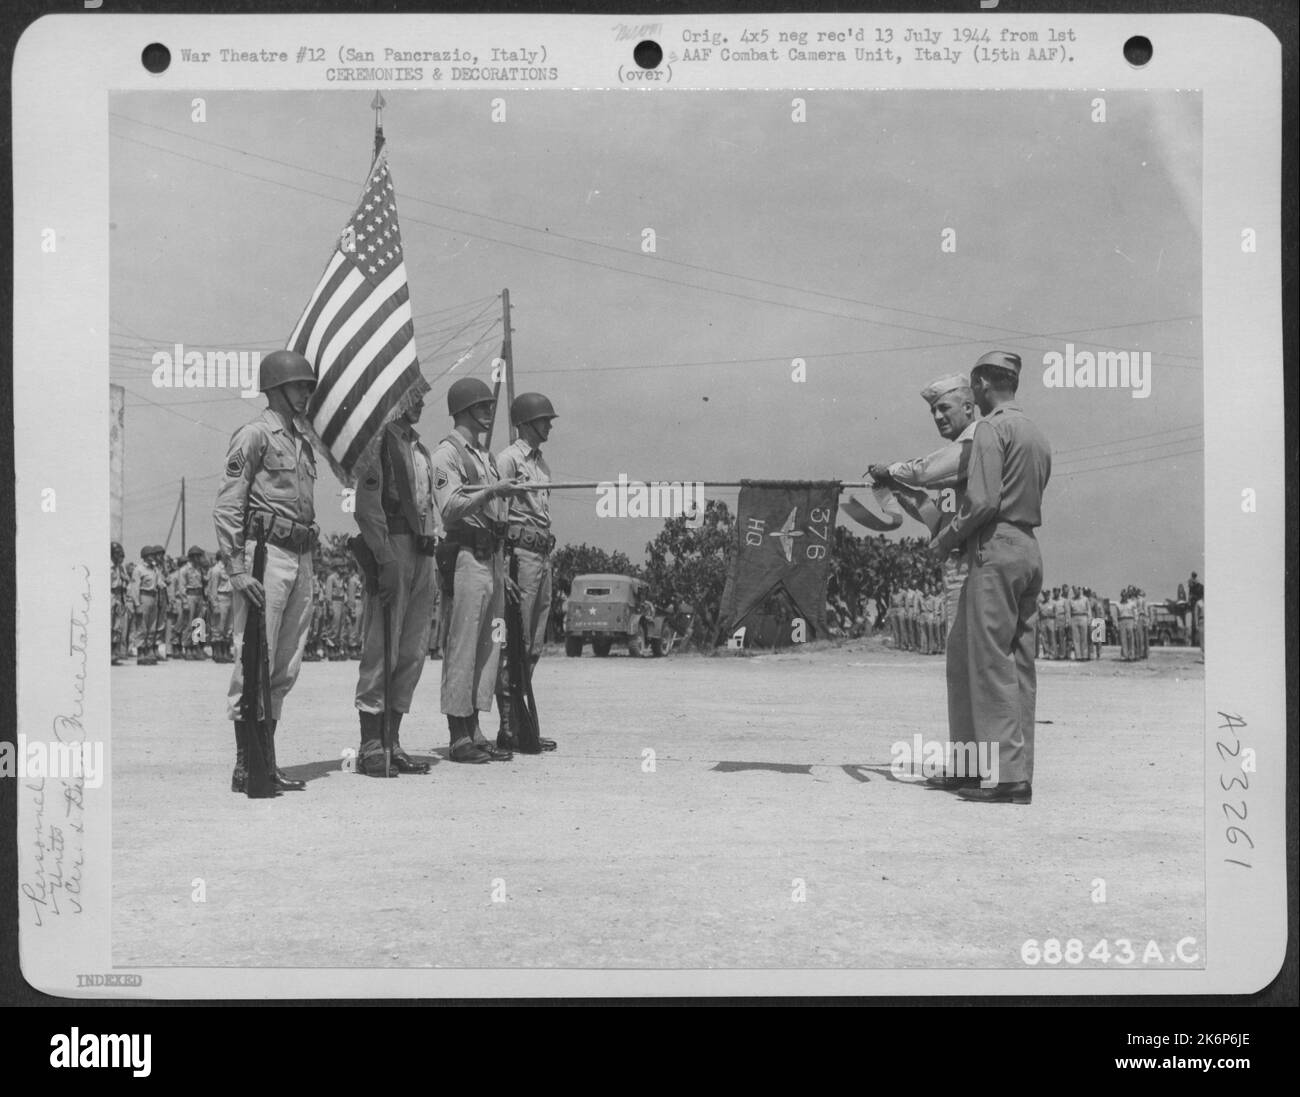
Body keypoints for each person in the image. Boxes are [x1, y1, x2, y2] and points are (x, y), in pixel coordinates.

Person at [932, 351, 1050, 804]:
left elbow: (981, 501)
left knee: (987, 664)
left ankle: (1004, 778)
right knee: (1019, 665)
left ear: (981, 385)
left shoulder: (989, 429)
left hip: (994, 547)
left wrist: (946, 540)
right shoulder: (1036, 433)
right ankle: (1009, 772)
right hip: (1028, 546)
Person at [212, 349, 318, 795]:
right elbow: (228, 503)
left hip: (300, 554)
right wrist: (235, 568)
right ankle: (246, 764)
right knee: (254, 658)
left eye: (308, 387)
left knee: (285, 664)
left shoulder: (302, 439)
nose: (305, 395)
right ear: (274, 388)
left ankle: (266, 761)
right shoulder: (255, 435)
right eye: (298, 386)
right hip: (265, 555)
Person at [431, 377, 531, 763]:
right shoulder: (447, 454)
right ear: (464, 410)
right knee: (464, 645)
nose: (489, 412)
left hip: (491, 557)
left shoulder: (485, 457)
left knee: (489, 646)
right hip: (465, 557)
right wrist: (492, 492)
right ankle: (458, 734)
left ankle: (474, 727)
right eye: (482, 406)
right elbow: (451, 506)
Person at [351, 391, 440, 777]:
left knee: (413, 648)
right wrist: (383, 556)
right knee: (382, 645)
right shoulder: (379, 443)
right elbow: (367, 506)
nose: (419, 401)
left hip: (423, 548)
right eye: (411, 394)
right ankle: (371, 744)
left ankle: (393, 740)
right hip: (394, 545)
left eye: (422, 395)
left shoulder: (419, 449)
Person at [870, 373, 981, 649]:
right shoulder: (954, 471)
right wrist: (896, 490)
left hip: (972, 563)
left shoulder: (974, 443)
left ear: (968, 407)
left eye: (944, 408)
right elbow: (935, 516)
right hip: (958, 562)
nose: (937, 416)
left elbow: (923, 471)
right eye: (934, 411)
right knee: (959, 652)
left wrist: (892, 470)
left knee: (965, 653)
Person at [496, 392, 560, 752]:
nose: (549, 425)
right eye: (544, 420)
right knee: (514, 644)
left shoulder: (542, 464)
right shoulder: (508, 461)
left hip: (541, 553)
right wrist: (503, 563)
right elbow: (499, 513)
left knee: (533, 644)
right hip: (519, 555)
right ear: (526, 422)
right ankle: (508, 726)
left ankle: (523, 722)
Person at [130, 546, 165, 666]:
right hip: (143, 597)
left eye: (153, 555)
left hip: (154, 597)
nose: (153, 557)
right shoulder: (138, 569)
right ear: (144, 556)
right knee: (142, 627)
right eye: (150, 555)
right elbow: (135, 589)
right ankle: (141, 652)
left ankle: (149, 651)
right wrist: (137, 604)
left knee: (152, 627)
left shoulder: (155, 569)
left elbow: (160, 583)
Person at [178, 547, 208, 659]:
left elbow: (205, 582)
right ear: (190, 557)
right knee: (188, 623)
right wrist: (184, 602)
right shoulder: (184, 570)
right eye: (195, 556)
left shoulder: (199, 569)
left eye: (199, 556)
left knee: (199, 623)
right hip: (190, 595)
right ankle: (187, 648)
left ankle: (196, 647)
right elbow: (181, 587)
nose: (197, 558)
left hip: (199, 595)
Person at [207, 551, 234, 662]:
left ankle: (225, 651)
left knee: (229, 627)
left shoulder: (229, 568)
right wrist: (215, 605)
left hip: (230, 597)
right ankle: (217, 652)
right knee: (218, 626)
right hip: (221, 598)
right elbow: (212, 589)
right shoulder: (216, 570)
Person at [110, 542, 133, 666]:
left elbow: (127, 580)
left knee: (117, 627)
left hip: (119, 596)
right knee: (109, 625)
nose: (120, 557)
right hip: (110, 595)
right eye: (117, 554)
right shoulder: (109, 567)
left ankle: (114, 654)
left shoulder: (120, 568)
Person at [1069, 585, 1090, 662]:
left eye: (1076, 590)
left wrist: (1089, 620)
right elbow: (1069, 611)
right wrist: (1069, 621)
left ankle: (1084, 655)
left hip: (1083, 617)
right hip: (1074, 617)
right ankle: (1078, 656)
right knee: (1076, 638)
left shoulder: (1085, 599)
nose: (1075, 592)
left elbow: (1089, 611)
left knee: (1083, 638)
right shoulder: (1071, 600)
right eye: (1074, 591)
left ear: (1080, 590)